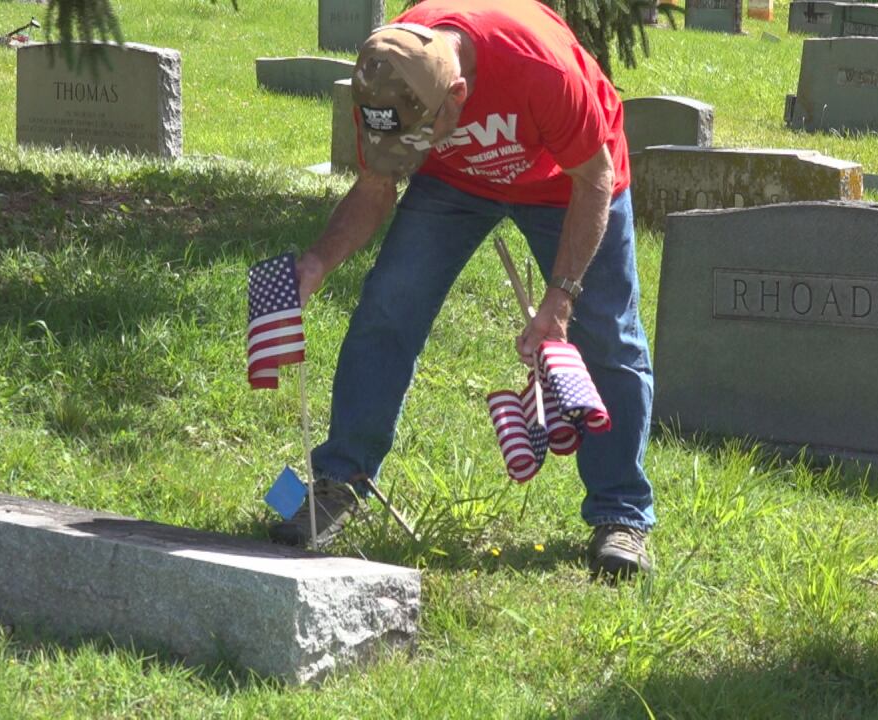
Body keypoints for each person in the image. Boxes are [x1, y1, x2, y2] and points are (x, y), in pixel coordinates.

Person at [268, 0, 656, 579]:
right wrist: (318, 263)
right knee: (387, 307)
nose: (408, 147)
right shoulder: (386, 77)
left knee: (606, 335)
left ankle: (620, 515)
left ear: (457, 94)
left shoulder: (539, 65)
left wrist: (561, 298)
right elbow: (377, 184)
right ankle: (339, 481)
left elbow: (593, 178)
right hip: (454, 184)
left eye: (421, 133)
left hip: (565, 182)